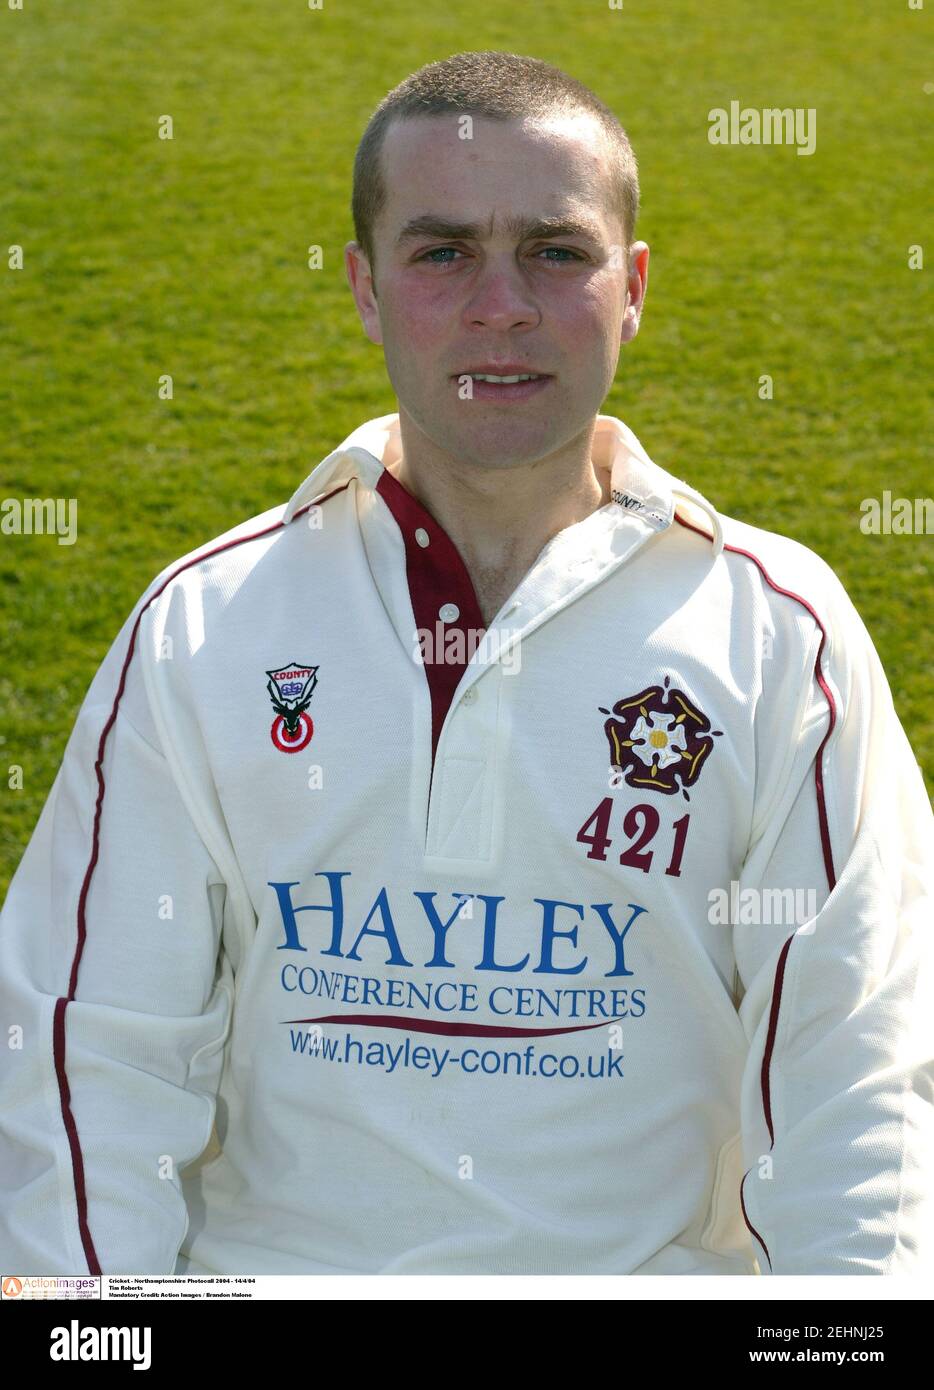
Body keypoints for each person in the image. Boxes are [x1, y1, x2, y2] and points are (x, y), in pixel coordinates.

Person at [1, 49, 932, 1278]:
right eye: (442, 253)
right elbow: (90, 1059)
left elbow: (857, 1076)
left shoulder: (777, 638)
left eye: (556, 250)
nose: (502, 305)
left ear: (634, 284)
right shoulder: (205, 626)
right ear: (365, 289)